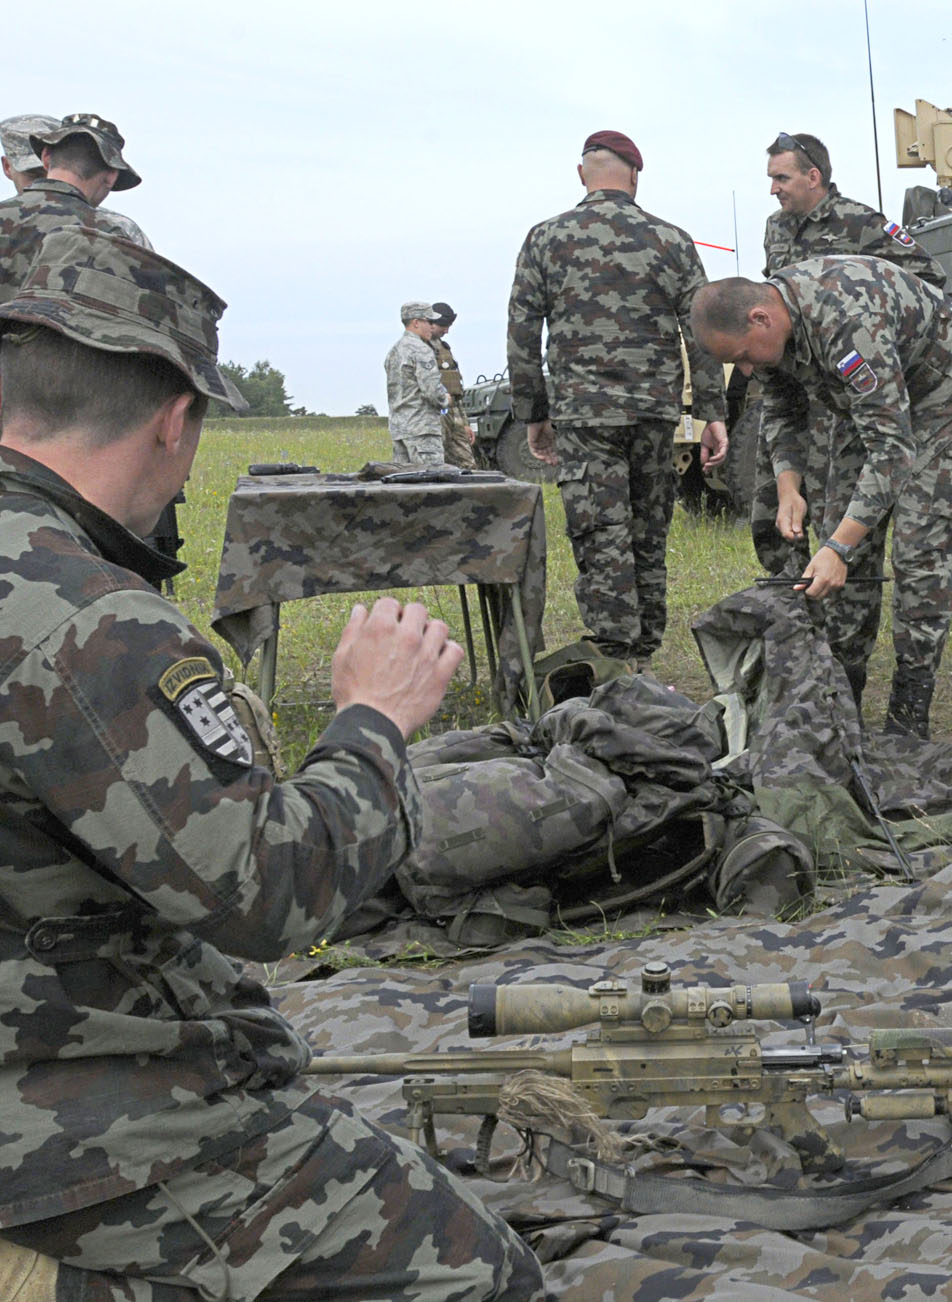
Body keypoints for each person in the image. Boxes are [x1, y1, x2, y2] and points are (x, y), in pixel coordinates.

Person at [0, 227, 543, 1299]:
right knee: (478, 1272)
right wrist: (374, 722)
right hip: (56, 1120)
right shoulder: (85, 622)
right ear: (175, 421)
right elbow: (269, 897)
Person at [692, 258, 952, 738]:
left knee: (918, 548)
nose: (746, 368)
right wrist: (789, 487)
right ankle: (842, 691)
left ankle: (910, 709)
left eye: (745, 355)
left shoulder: (848, 321)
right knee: (839, 533)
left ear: (760, 319)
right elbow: (783, 408)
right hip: (862, 403)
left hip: (940, 394)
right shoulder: (770, 331)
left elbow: (892, 449)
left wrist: (838, 548)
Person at [507, 128, 727, 671]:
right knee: (648, 531)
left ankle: (613, 655)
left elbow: (521, 329)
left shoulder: (545, 238)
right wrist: (710, 413)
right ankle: (642, 658)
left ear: (582, 173)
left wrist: (533, 413)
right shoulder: (671, 240)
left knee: (600, 531)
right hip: (653, 413)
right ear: (635, 174)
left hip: (583, 415)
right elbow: (702, 327)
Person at [747, 131, 948, 576]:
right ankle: (792, 596)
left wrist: (882, 343)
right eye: (771, 179)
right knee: (777, 501)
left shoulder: (861, 223)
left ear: (813, 176)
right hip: (802, 384)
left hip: (856, 384)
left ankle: (838, 579)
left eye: (781, 178)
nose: (773, 188)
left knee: (839, 504)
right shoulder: (775, 229)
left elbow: (929, 279)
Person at [0, 113, 149, 295]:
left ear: (46, 158)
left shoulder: (121, 230)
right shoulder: (110, 234)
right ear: (111, 176)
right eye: (32, 175)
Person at [386, 301, 450, 466]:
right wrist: (445, 399)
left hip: (400, 430)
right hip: (423, 430)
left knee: (405, 485)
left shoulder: (394, 351)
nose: (432, 326)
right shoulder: (421, 350)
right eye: (429, 321)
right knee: (432, 482)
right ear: (416, 322)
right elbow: (432, 392)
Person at [430, 301, 478, 468]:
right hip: (435, 415)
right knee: (435, 465)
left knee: (467, 466)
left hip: (453, 413)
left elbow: (455, 393)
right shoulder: (421, 350)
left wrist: (464, 423)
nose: (446, 331)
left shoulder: (444, 348)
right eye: (443, 325)